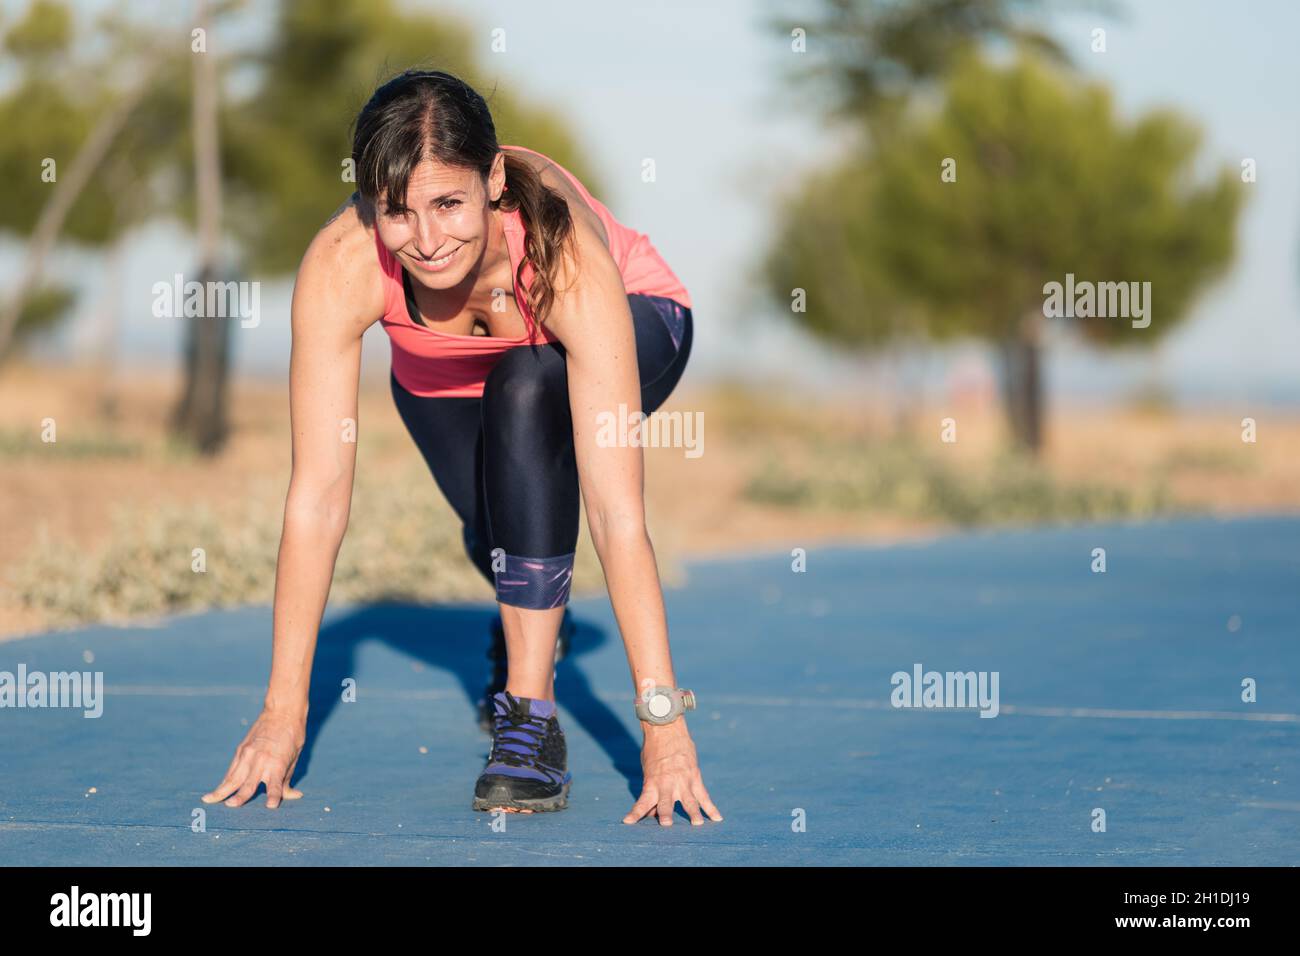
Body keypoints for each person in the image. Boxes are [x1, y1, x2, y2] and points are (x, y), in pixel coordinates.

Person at [202, 69, 722, 825]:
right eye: (399, 214)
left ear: (494, 179)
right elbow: (316, 498)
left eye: (449, 203)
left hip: (635, 325)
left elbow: (614, 514)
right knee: (497, 537)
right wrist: (283, 715)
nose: (428, 241)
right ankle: (532, 626)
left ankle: (530, 721)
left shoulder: (560, 249)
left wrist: (663, 724)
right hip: (438, 382)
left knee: (525, 387)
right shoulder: (342, 264)